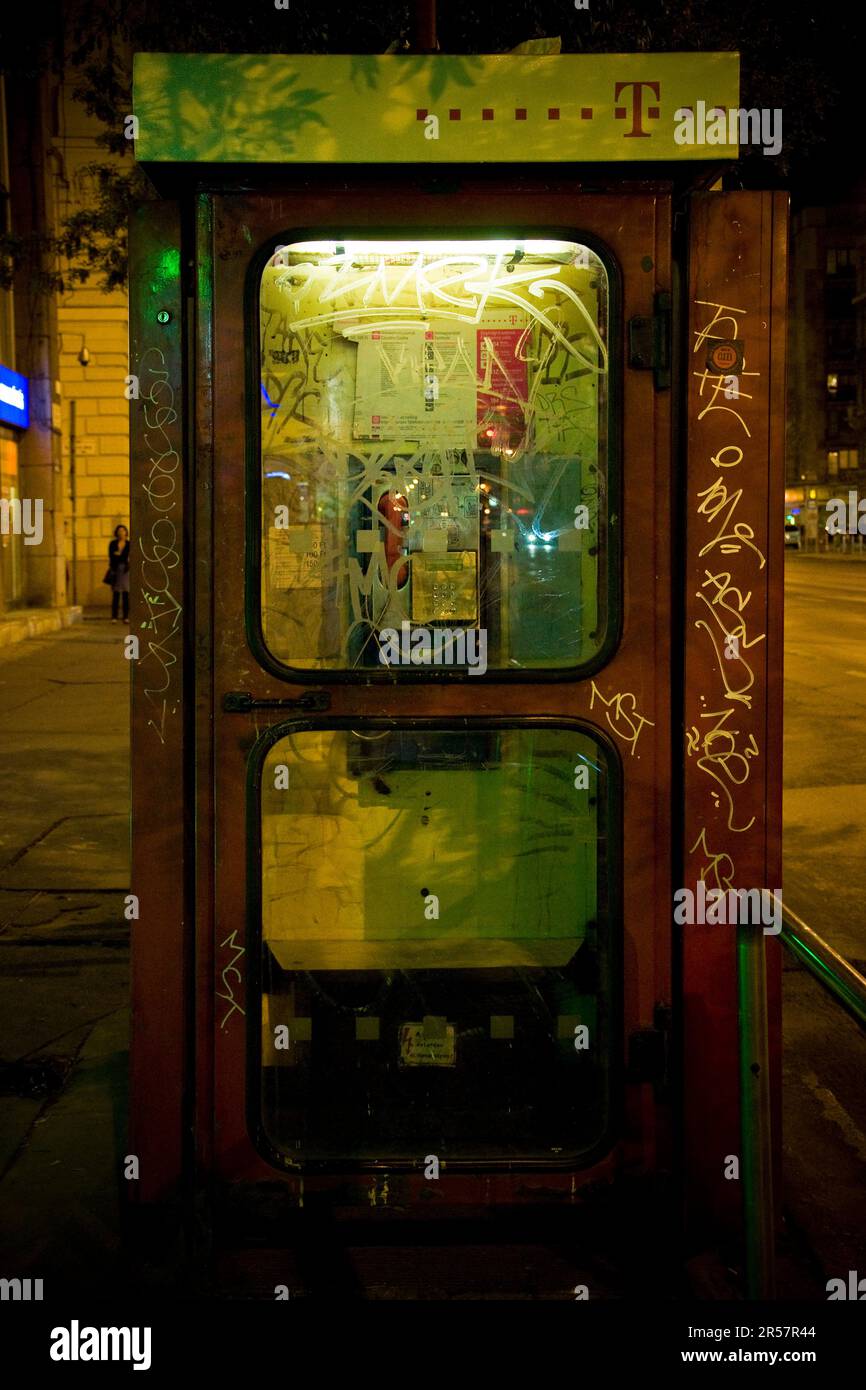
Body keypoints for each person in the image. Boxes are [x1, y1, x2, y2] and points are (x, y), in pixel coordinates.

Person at [108, 524, 130, 622]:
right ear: (116, 533)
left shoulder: (129, 544)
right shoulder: (112, 543)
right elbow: (111, 556)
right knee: (116, 594)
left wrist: (119, 555)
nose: (121, 532)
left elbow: (127, 556)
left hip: (126, 570)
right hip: (115, 570)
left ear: (126, 532)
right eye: (119, 531)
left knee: (126, 594)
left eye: (123, 530)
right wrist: (121, 556)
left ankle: (126, 616)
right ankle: (114, 616)